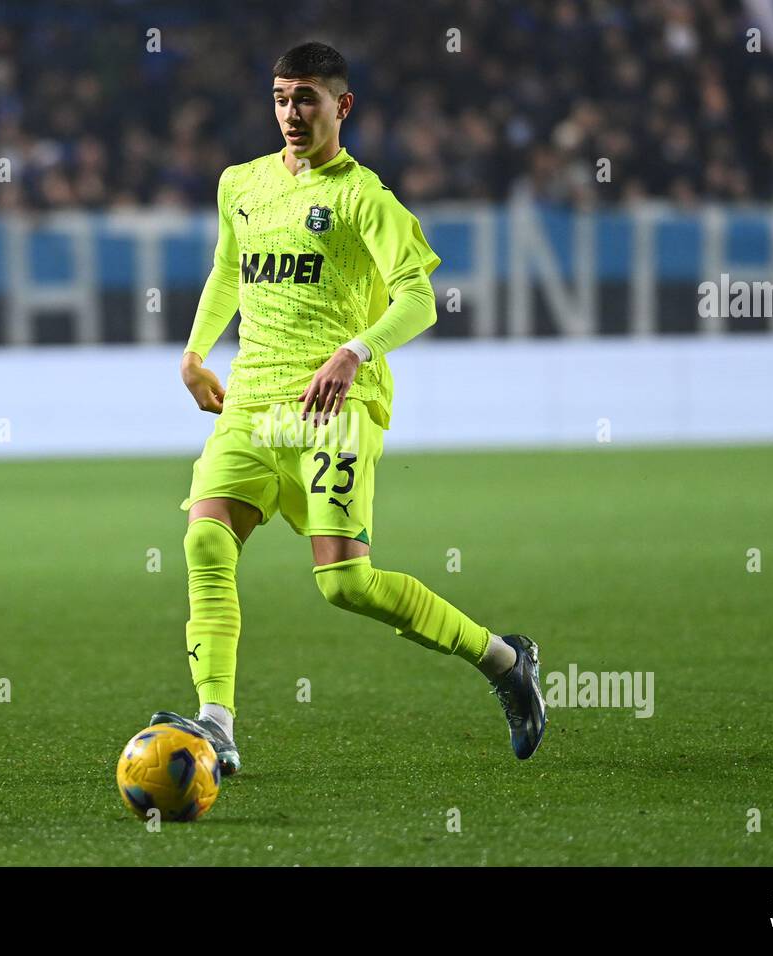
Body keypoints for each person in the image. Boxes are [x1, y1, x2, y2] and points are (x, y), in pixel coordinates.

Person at [151, 42, 544, 773]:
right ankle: (217, 721)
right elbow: (228, 273)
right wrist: (194, 353)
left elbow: (420, 298)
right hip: (253, 401)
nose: (290, 112)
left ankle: (502, 660)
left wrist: (353, 352)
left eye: (306, 97)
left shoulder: (365, 197)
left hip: (333, 408)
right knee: (205, 543)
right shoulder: (240, 183)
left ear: (342, 106)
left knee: (344, 584)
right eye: (279, 97)